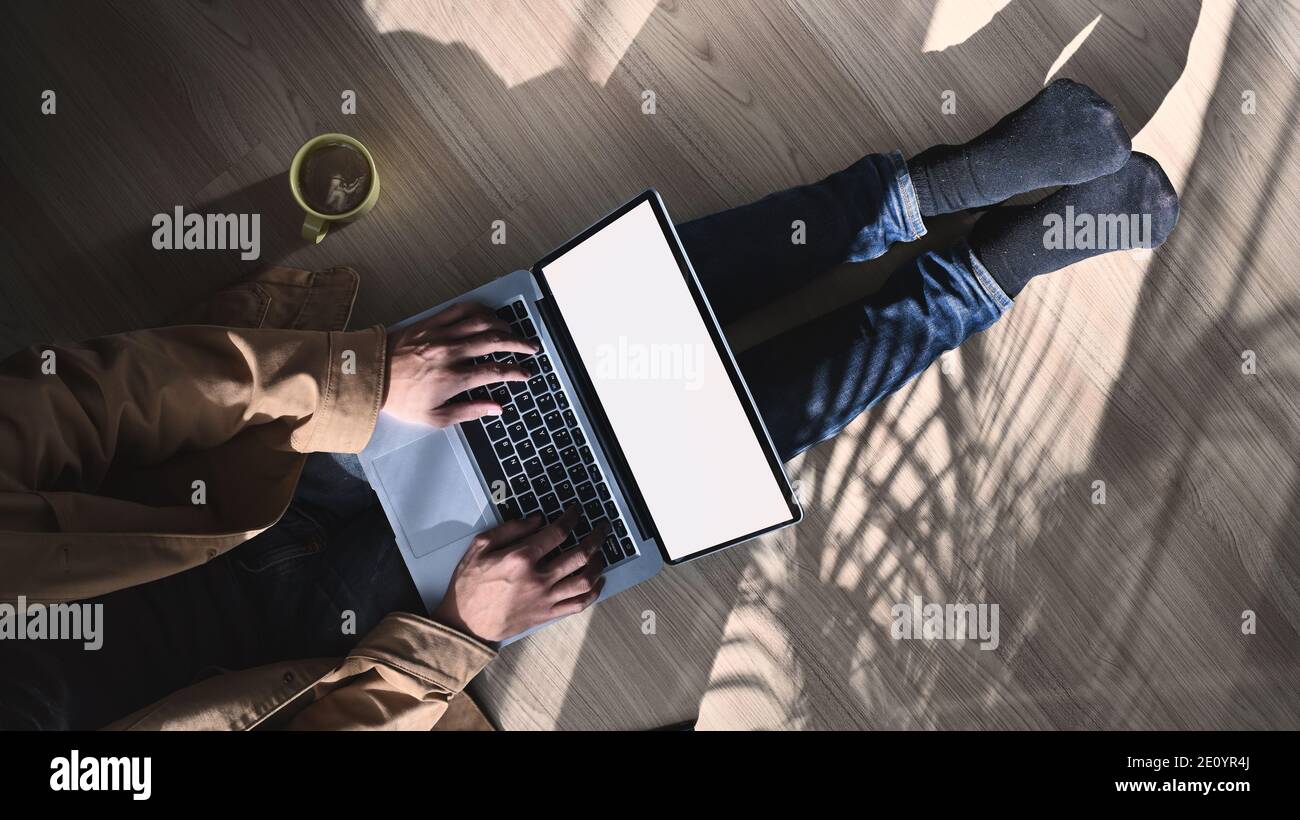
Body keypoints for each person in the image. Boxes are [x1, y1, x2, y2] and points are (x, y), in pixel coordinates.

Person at [0, 79, 1178, 729]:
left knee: (580, 333)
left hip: (270, 447)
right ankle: (978, 276)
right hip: (366, 644)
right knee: (662, 473)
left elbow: (86, 405)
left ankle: (924, 195)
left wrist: (358, 384)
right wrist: (454, 637)